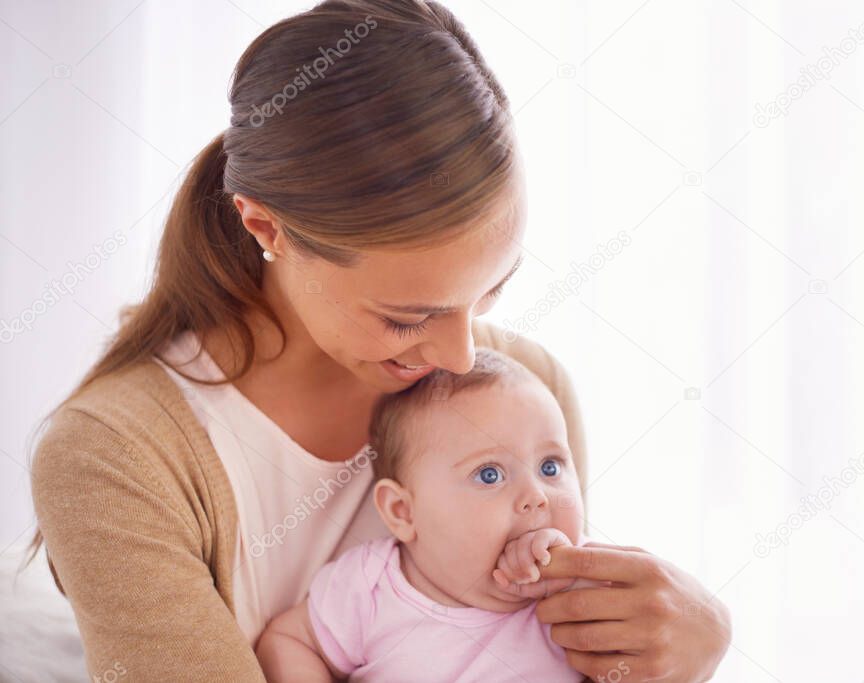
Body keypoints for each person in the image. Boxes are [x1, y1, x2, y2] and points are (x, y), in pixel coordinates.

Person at [28, 1, 731, 681]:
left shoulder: (525, 384)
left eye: (489, 289)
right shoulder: (115, 459)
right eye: (406, 316)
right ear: (266, 227)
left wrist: (691, 644)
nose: (462, 354)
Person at [256, 348, 599, 681]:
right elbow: (290, 641)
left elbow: (642, 651)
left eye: (550, 467)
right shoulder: (370, 587)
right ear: (402, 512)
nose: (537, 497)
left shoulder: (587, 586)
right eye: (489, 475)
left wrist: (577, 579)